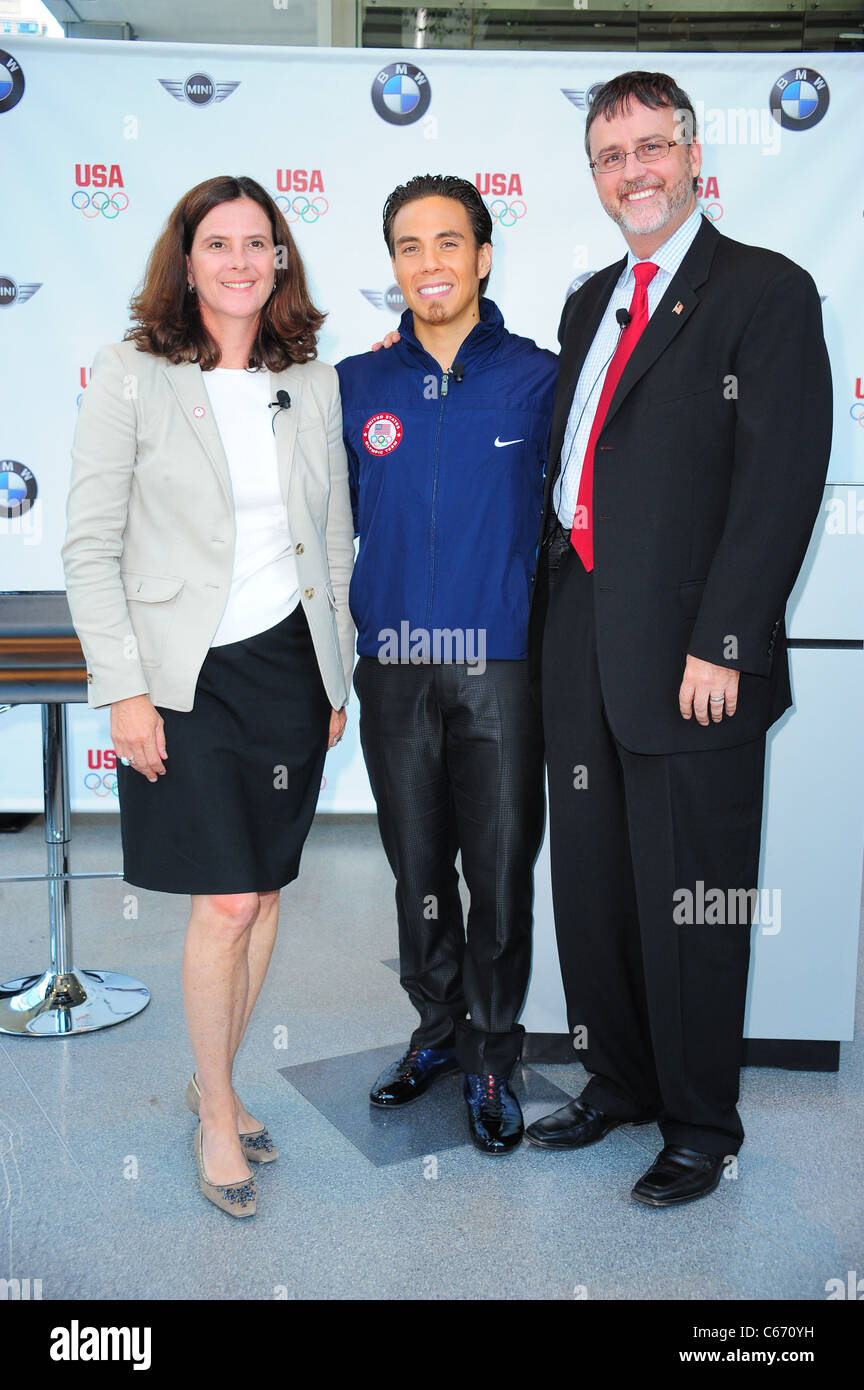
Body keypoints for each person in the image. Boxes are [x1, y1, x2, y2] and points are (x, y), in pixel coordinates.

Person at [525, 71, 833, 1204]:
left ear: (694, 155)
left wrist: (729, 642)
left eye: (654, 147)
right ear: (595, 175)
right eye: (613, 156)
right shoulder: (587, 298)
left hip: (697, 655)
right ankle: (617, 1081)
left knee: (696, 896)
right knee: (597, 886)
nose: (634, 172)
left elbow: (780, 485)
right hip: (580, 637)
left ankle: (702, 1121)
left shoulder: (766, 291)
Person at [62, 175, 355, 1218]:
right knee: (223, 899)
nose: (239, 261)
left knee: (266, 889)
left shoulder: (309, 380)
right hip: (183, 677)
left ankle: (211, 1078)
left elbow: (334, 536)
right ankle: (220, 1108)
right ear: (185, 262)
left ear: (280, 260)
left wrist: (337, 666)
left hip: (288, 665)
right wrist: (124, 690)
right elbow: (90, 546)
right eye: (218, 243)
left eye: (258, 244)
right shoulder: (131, 372)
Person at [336, 175, 558, 1154]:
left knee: (500, 876)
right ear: (393, 265)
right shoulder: (356, 382)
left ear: (484, 254)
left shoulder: (541, 379)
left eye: (448, 242)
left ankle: (492, 1059)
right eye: (409, 247)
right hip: (392, 664)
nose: (430, 263)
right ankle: (436, 1032)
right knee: (418, 870)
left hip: (498, 664)